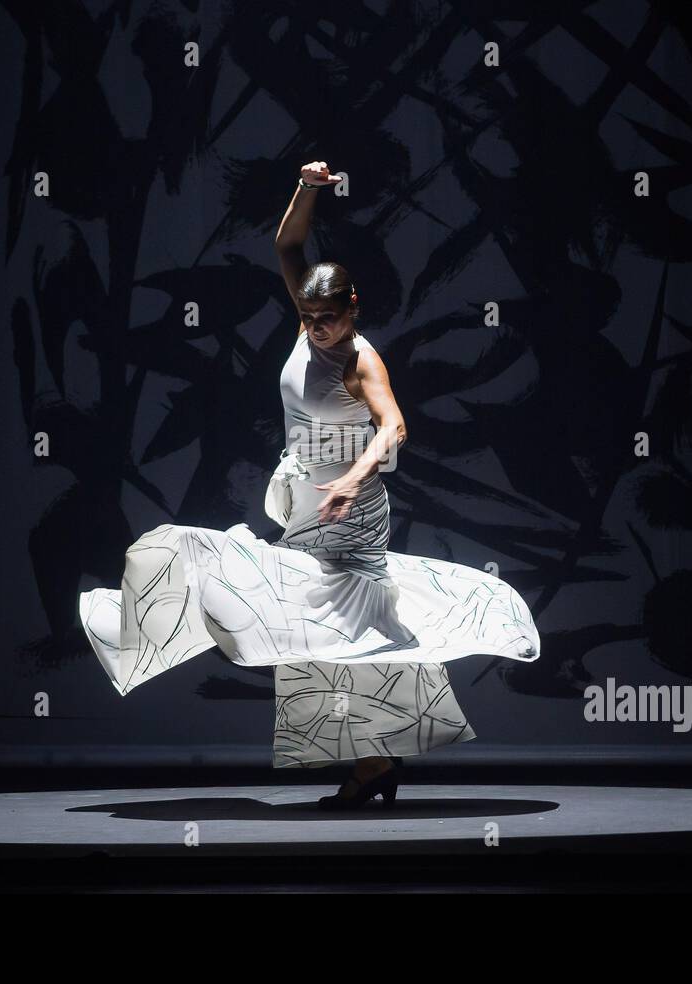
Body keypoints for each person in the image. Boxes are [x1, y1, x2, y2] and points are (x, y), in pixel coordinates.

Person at [79, 161, 540, 810]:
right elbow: (288, 245)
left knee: (335, 626)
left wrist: (352, 480)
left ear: (351, 309)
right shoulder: (308, 324)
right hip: (305, 499)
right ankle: (374, 762)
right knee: (325, 634)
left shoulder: (360, 359)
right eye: (308, 313)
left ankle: (372, 762)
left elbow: (395, 429)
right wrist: (310, 189)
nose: (317, 325)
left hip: (351, 508)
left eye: (328, 316)